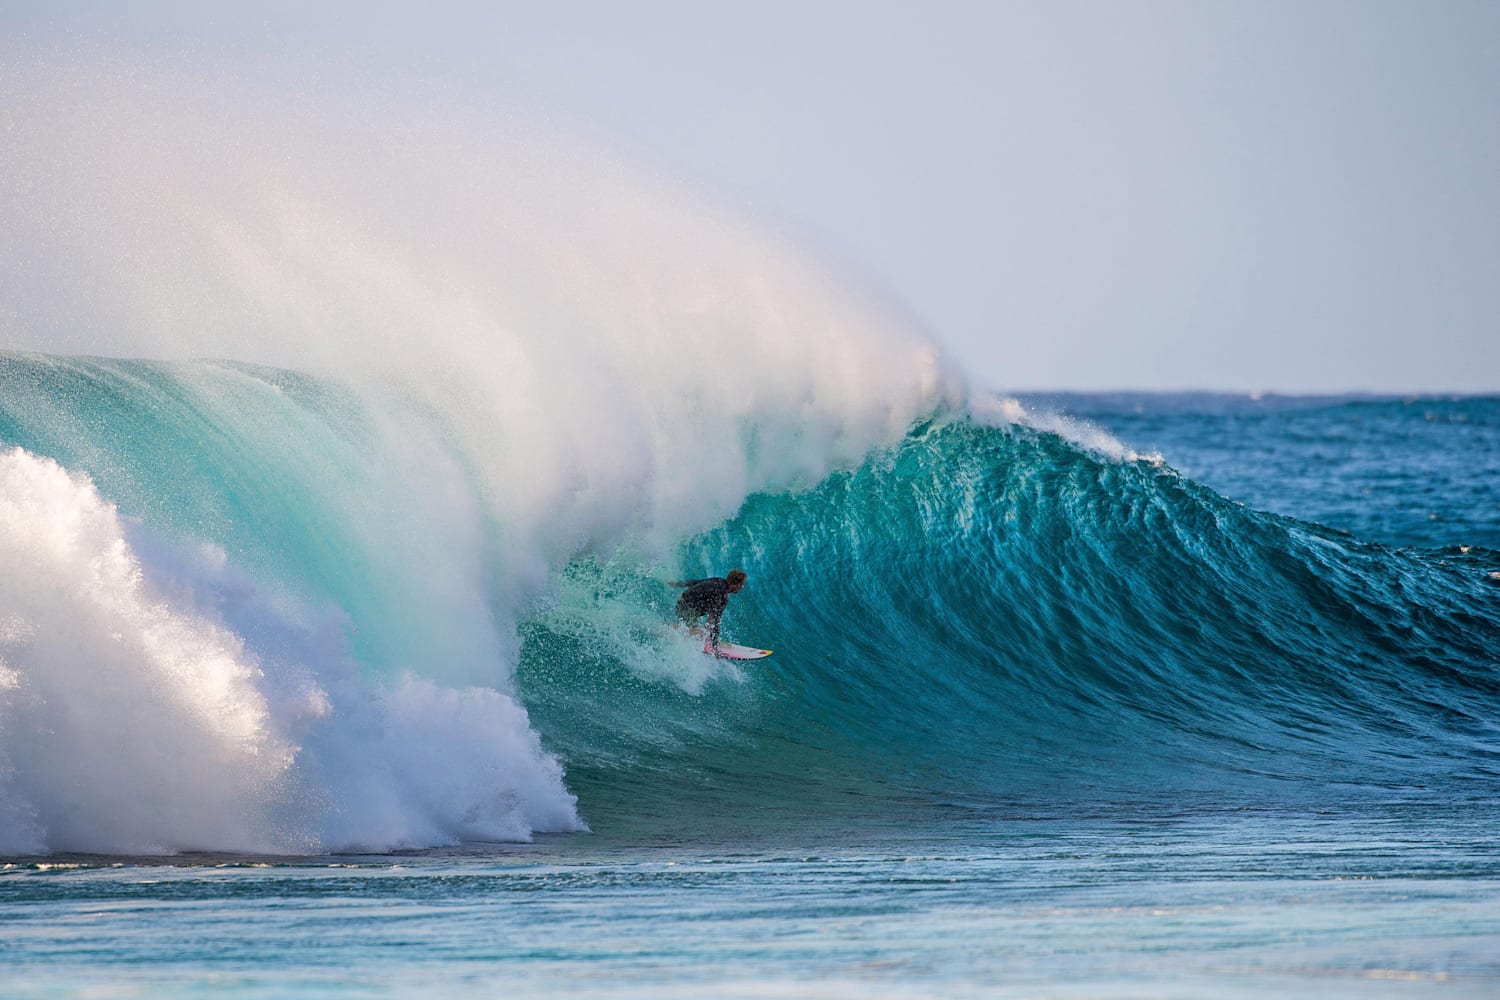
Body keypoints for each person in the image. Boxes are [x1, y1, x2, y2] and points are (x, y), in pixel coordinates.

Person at [671, 570, 747, 651]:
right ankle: (668, 631)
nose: (741, 587)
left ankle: (675, 629)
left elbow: (695, 582)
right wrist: (715, 647)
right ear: (737, 585)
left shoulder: (718, 580)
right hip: (685, 608)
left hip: (681, 604)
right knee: (699, 634)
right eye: (742, 585)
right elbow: (716, 621)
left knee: (704, 628)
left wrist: (676, 584)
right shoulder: (723, 595)